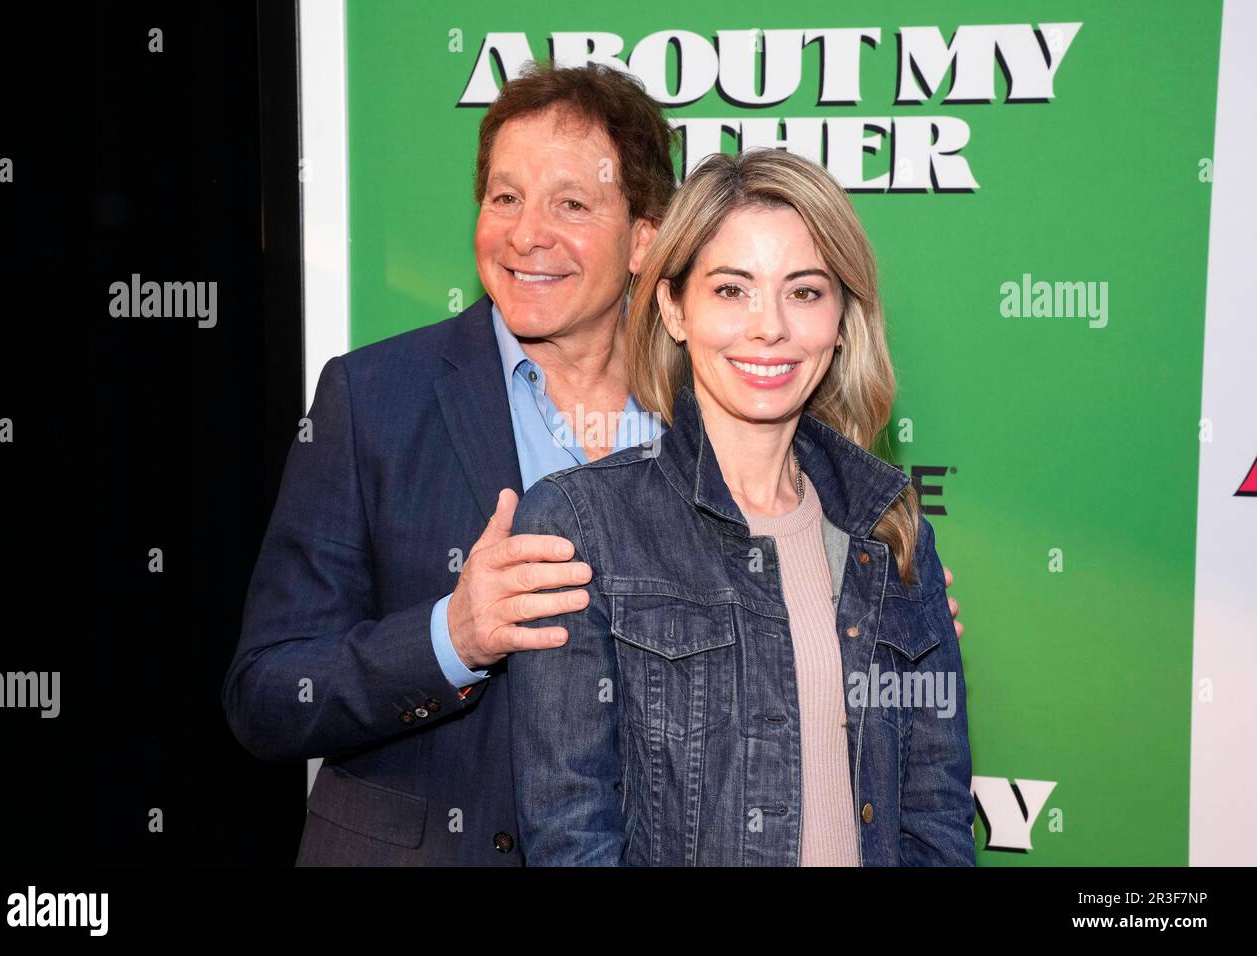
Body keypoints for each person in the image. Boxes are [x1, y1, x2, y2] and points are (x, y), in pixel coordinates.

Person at [221, 61, 962, 866]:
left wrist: (863, 629)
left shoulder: (734, 390)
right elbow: (265, 695)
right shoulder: (373, 399)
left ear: (649, 238)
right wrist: (452, 637)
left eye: (570, 203)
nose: (526, 233)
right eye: (504, 198)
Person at [507, 148, 976, 866]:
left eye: (806, 292)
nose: (770, 327)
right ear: (673, 308)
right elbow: (571, 836)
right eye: (732, 290)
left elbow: (935, 818)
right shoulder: (582, 529)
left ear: (843, 318)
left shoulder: (892, 531)